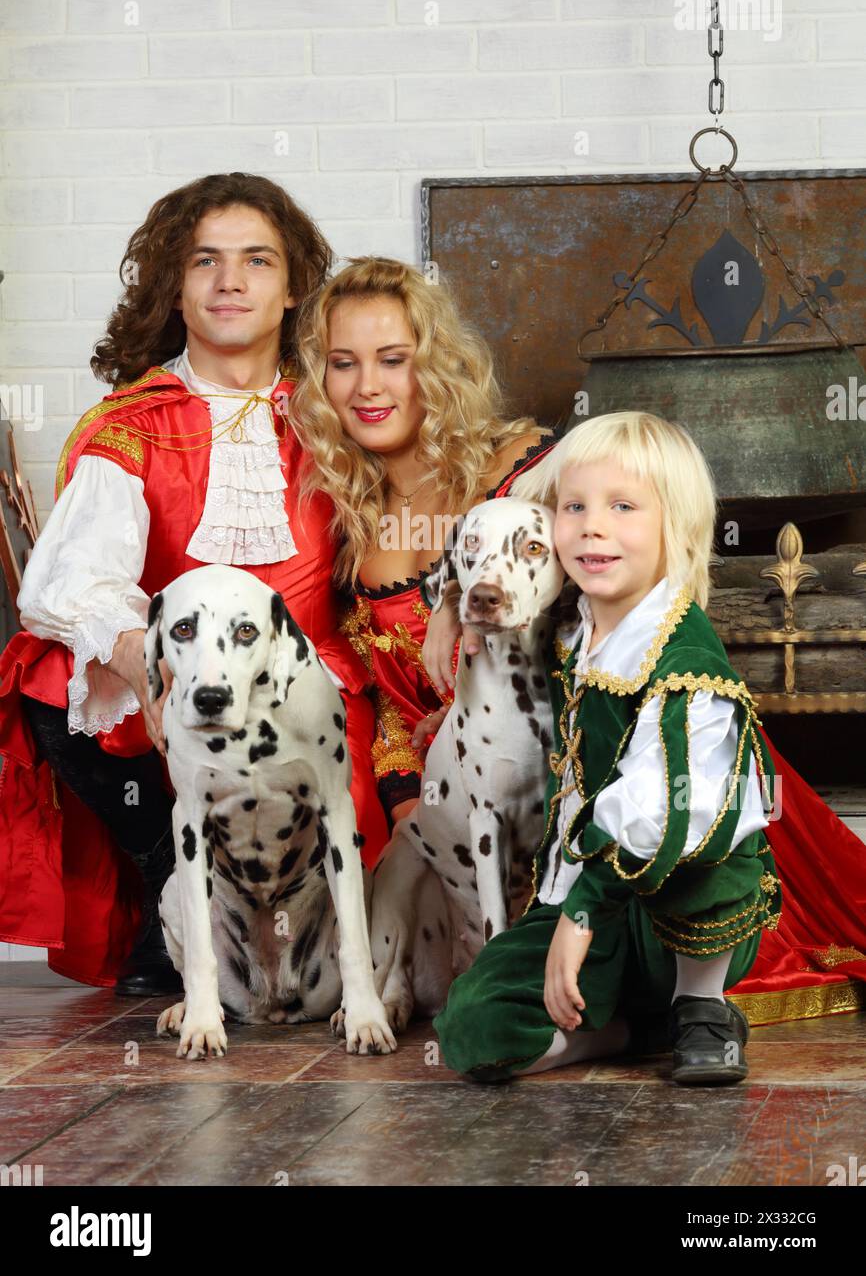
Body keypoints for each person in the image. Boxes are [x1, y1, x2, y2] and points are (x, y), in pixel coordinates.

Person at [0, 173, 390, 995]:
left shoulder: (334, 411)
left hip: (308, 680)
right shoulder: (136, 421)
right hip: (175, 676)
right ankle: (165, 891)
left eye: (257, 261)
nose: (230, 281)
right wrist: (151, 663)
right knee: (43, 664)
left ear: (291, 292)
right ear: (174, 288)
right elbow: (69, 581)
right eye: (204, 261)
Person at [432, 411, 866, 1084]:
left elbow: (665, 810)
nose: (593, 525)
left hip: (673, 909)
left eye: (623, 506)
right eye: (574, 507)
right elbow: (500, 551)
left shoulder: (684, 658)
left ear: (677, 529)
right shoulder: (568, 633)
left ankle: (699, 1004)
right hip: (584, 894)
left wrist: (579, 914)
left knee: (698, 850)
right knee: (471, 1032)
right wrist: (451, 598)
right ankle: (637, 1029)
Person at [286, 256, 555, 828]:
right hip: (460, 810)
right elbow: (394, 718)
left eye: (393, 360)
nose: (366, 387)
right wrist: (414, 814)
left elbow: (617, 579)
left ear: (434, 366)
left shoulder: (524, 468)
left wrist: (459, 594)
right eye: (343, 364)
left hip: (566, 785)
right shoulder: (351, 535)